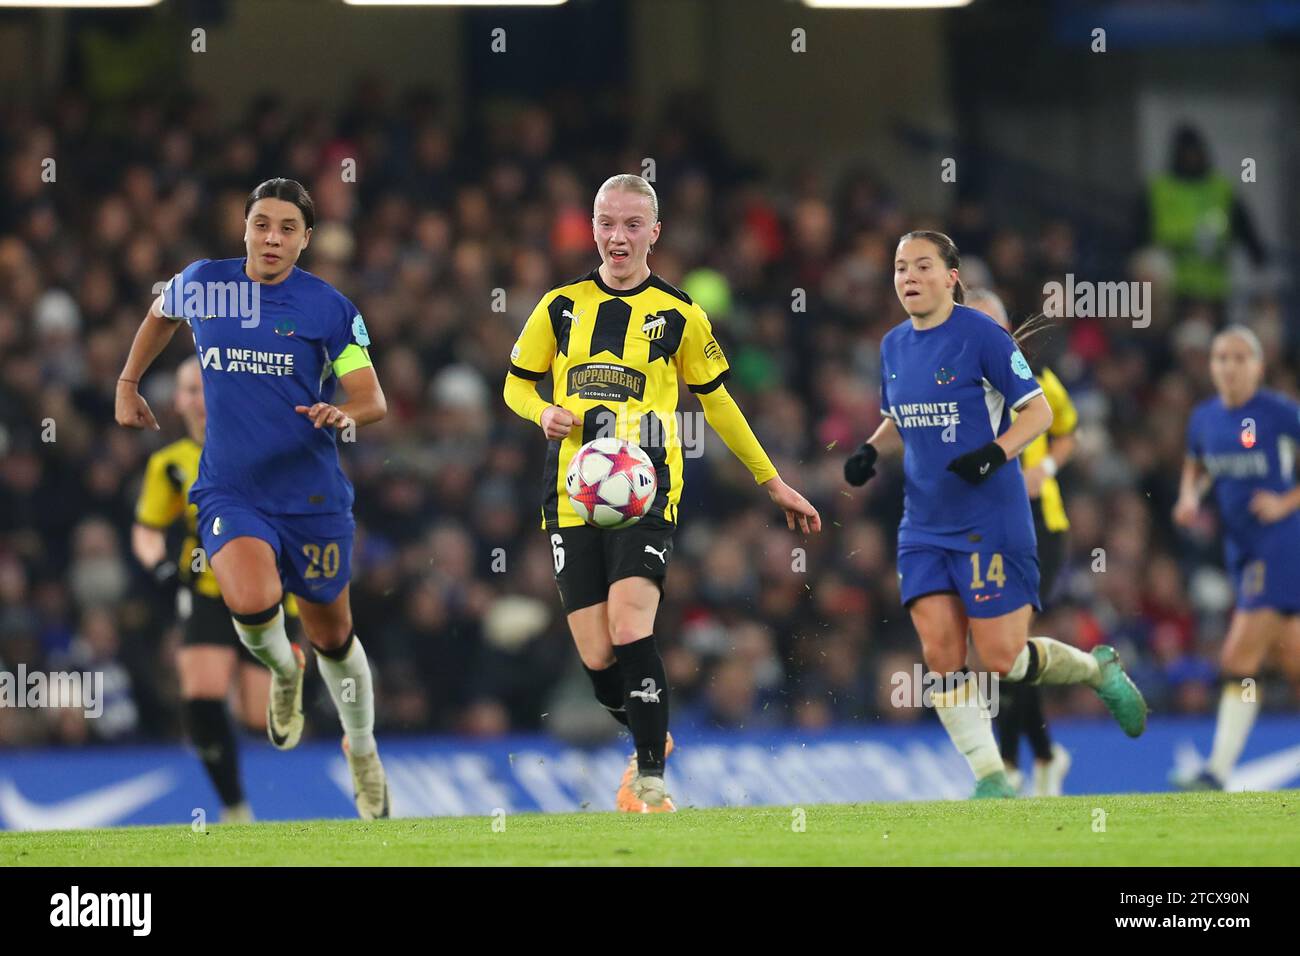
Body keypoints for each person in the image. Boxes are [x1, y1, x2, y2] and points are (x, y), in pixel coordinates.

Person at [503, 173, 821, 812]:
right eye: (606, 224)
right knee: (597, 658)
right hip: (571, 496)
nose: (617, 238)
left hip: (646, 491)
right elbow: (515, 385)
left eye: (630, 225)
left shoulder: (679, 314)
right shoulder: (559, 307)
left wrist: (772, 480)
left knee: (629, 626)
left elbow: (720, 403)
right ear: (593, 228)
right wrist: (540, 413)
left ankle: (649, 781)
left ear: (655, 232)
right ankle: (656, 734)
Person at [116, 178, 391, 819]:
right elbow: (159, 316)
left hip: (312, 496)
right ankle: (283, 673)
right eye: (262, 224)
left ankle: (361, 750)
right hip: (231, 491)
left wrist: (340, 410)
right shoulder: (205, 282)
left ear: (306, 239)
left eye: (287, 228)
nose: (272, 238)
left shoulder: (329, 308)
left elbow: (372, 398)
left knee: (334, 634)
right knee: (250, 598)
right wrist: (129, 382)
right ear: (244, 226)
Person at [844, 230, 1146, 798]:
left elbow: (1037, 415)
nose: (908, 277)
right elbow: (900, 417)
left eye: (922, 266)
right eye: (901, 267)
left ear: (951, 276)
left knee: (1002, 658)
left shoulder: (983, 335)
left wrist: (995, 453)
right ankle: (990, 776)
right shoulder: (893, 345)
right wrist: (870, 448)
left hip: (991, 518)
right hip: (924, 522)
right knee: (939, 651)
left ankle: (1096, 670)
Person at [131, 357, 307, 822]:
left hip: (267, 595)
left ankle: (289, 683)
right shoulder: (169, 465)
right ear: (178, 401)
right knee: (202, 699)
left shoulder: (263, 448)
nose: (199, 399)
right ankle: (234, 808)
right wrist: (160, 567)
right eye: (190, 389)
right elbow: (147, 529)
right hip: (207, 593)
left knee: (259, 721)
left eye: (206, 388)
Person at [1173, 325, 1300, 789]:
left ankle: (1217, 772)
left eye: (1239, 357)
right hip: (1240, 548)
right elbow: (1197, 462)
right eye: (1220, 357)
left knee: (1238, 656)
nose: (1228, 366)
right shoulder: (1204, 417)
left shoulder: (1278, 413)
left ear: (1258, 366)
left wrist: (1286, 502)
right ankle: (1218, 771)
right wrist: (1190, 496)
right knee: (1293, 661)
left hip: (1282, 542)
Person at [966, 288, 1076, 797]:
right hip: (990, 528)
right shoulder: (960, 388)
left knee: (1006, 645)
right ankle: (1046, 758)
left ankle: (1010, 766)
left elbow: (1068, 430)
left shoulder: (1038, 381)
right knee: (1002, 652)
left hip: (1040, 527)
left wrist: (1048, 466)